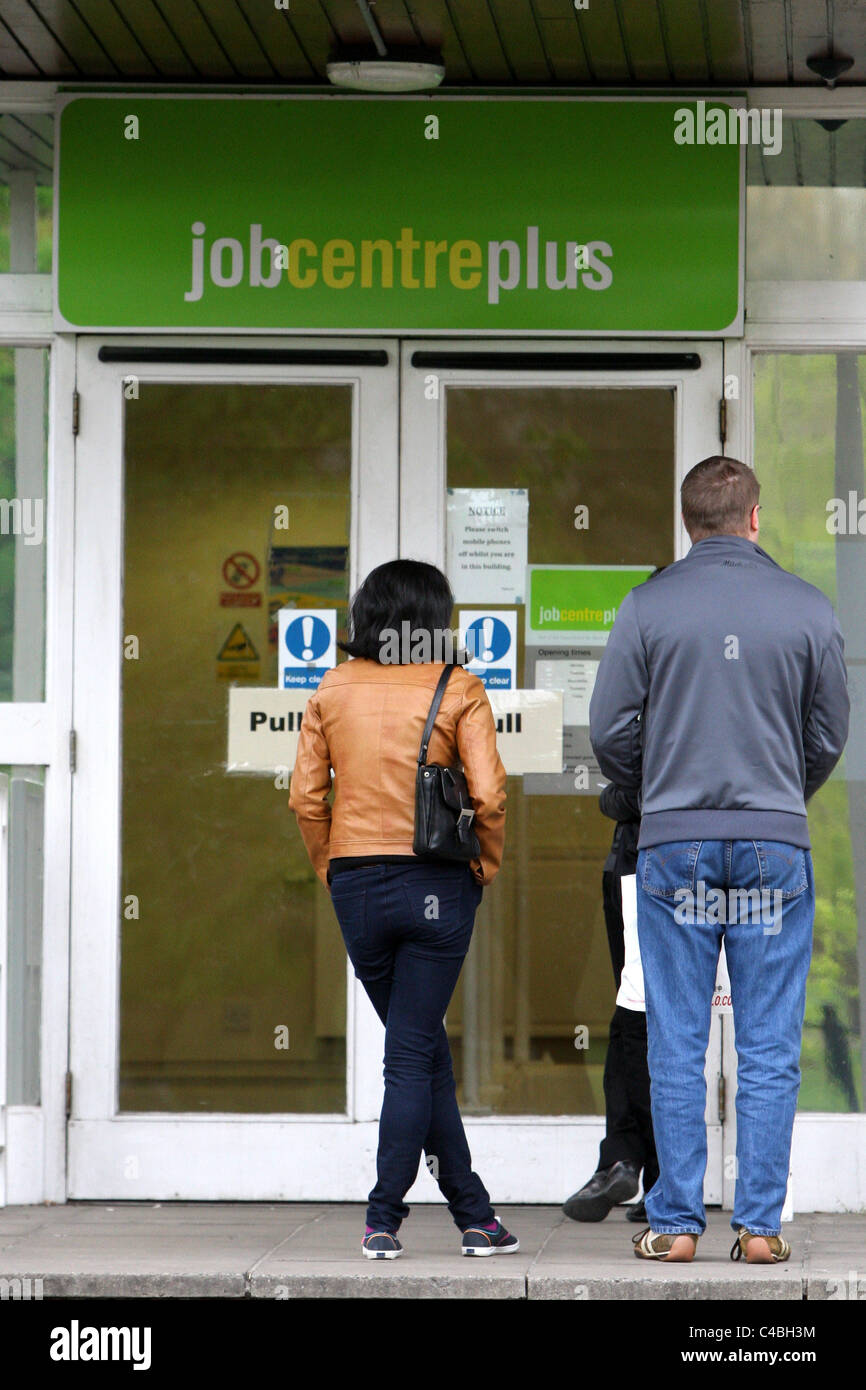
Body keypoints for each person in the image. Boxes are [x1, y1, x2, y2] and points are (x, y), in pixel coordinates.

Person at [589, 456, 849, 1265]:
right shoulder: (808, 609)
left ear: (688, 522)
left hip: (676, 849)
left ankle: (673, 1226)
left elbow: (609, 733)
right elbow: (829, 734)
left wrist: (659, 791)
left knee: (676, 1035)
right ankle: (761, 1226)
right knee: (769, 1041)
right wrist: (779, 794)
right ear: (755, 519)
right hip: (774, 847)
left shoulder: (646, 607)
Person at [289, 559, 518, 1260]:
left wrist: (333, 867)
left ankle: (476, 1215)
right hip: (438, 886)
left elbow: (305, 799)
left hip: (357, 885)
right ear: (434, 622)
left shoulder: (330, 688)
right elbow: (490, 797)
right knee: (412, 1054)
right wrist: (484, 864)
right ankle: (382, 1216)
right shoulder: (460, 687)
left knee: (418, 1051)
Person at [563, 780, 658, 1224]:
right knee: (635, 1018)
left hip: (648, 865)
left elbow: (638, 792)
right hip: (655, 864)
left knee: (639, 1020)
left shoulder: (667, 712)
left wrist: (609, 797)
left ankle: (643, 1168)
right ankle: (632, 1162)